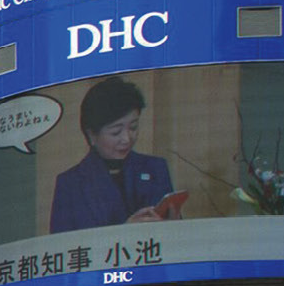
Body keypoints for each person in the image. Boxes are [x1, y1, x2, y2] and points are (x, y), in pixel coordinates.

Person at [44, 75, 183, 232]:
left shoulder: (155, 168)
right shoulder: (71, 184)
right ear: (92, 135)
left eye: (133, 127)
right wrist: (124, 232)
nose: (127, 139)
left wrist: (175, 224)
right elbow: (61, 248)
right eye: (116, 132)